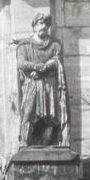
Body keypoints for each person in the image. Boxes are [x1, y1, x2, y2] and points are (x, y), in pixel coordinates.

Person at [13, 11, 67, 147]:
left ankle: (48, 141)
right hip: (32, 85)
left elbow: (57, 61)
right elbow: (21, 63)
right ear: (34, 26)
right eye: (40, 23)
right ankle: (25, 140)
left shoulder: (55, 45)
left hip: (49, 85)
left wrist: (48, 66)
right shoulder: (25, 45)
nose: (44, 26)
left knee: (51, 116)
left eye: (46, 24)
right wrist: (37, 67)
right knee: (28, 112)